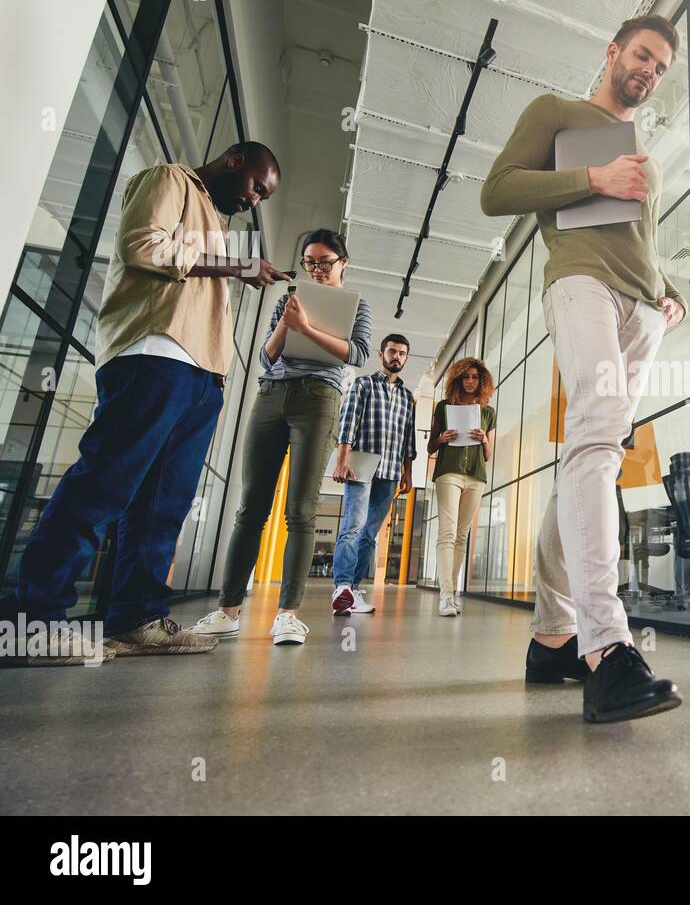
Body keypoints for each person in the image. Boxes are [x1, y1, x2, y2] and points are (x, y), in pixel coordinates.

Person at [0, 143, 286, 666]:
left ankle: (136, 619)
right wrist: (236, 264)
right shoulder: (169, 180)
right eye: (255, 187)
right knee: (105, 484)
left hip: (202, 373)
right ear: (234, 161)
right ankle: (32, 621)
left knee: (164, 504)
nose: (253, 201)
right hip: (155, 352)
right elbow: (143, 246)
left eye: (262, 197)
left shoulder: (215, 225)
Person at [482, 14, 687, 723]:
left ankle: (551, 638)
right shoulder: (557, 113)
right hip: (581, 285)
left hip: (642, 308)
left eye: (660, 67)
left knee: (588, 457)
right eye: (641, 56)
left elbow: (640, 240)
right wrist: (593, 176)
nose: (648, 71)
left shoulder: (643, 155)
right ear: (612, 50)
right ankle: (607, 650)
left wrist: (668, 290)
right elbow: (497, 191)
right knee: (597, 446)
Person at [192, 229, 371, 646]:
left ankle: (287, 614)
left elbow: (359, 353)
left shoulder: (357, 305)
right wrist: (289, 324)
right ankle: (227, 610)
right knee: (250, 507)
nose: (317, 269)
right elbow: (265, 356)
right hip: (270, 396)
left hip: (319, 398)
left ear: (343, 262)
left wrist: (306, 330)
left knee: (301, 510)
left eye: (326, 262)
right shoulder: (287, 297)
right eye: (310, 262)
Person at [329, 333, 418, 616]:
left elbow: (409, 439)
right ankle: (341, 586)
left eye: (402, 353)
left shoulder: (407, 396)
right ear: (381, 354)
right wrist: (342, 460)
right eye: (392, 351)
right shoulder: (363, 384)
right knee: (352, 527)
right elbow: (348, 423)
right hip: (361, 466)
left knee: (369, 535)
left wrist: (408, 472)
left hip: (391, 471)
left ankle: (352, 591)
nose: (397, 357)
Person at [427, 358, 496, 617]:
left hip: (475, 476)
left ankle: (452, 592)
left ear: (482, 381)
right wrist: (441, 438)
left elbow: (488, 455)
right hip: (448, 473)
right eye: (466, 377)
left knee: (461, 535)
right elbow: (430, 447)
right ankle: (445, 595)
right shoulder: (444, 407)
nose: (470, 382)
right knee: (447, 532)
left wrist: (483, 440)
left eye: (475, 377)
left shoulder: (488, 412)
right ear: (458, 379)